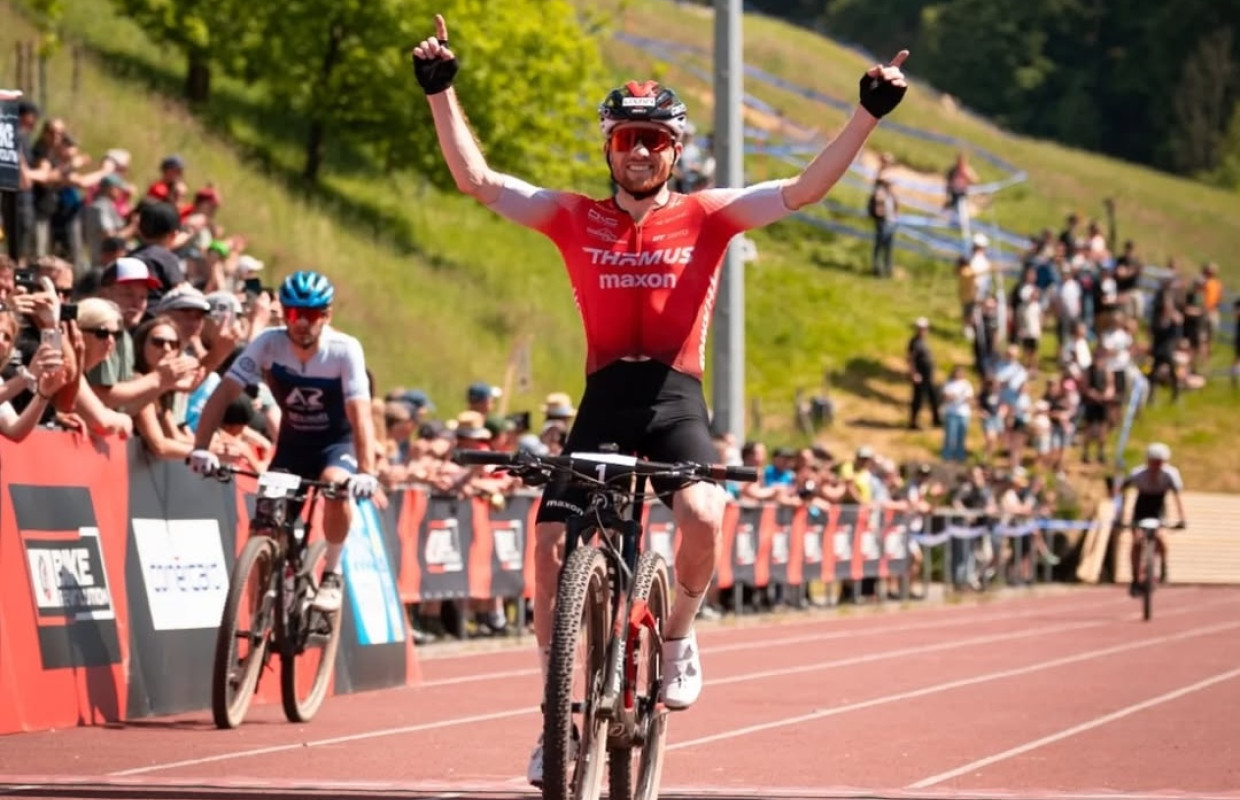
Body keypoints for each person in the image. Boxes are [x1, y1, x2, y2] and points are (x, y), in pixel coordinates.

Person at [410, 14, 910, 787]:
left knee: (707, 515)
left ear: (676, 150)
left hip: (676, 398)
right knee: (548, 552)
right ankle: (557, 716)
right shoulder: (575, 215)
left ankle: (677, 637)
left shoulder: (707, 213)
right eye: (625, 139)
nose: (639, 151)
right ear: (608, 147)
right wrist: (442, 93)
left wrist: (866, 116)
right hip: (604, 399)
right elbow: (479, 183)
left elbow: (805, 190)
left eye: (654, 139)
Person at [187, 270, 381, 613]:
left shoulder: (344, 350)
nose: (300, 323)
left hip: (337, 443)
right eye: (292, 313)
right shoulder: (268, 343)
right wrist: (200, 446)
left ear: (327, 315)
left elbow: (360, 414)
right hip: (293, 444)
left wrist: (367, 471)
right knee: (265, 518)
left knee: (335, 487)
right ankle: (271, 592)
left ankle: (332, 574)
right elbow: (223, 394)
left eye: (309, 315)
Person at [1119, 442, 1187, 595]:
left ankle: (1163, 565)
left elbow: (1178, 497)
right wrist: (1121, 516)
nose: (1156, 466)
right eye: (1153, 462)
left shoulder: (1171, 474)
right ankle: (1135, 578)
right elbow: (1122, 491)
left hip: (1158, 508)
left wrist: (1182, 518)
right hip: (1141, 507)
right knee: (1136, 541)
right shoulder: (1137, 474)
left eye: (1160, 463)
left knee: (1160, 536)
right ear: (1148, 461)